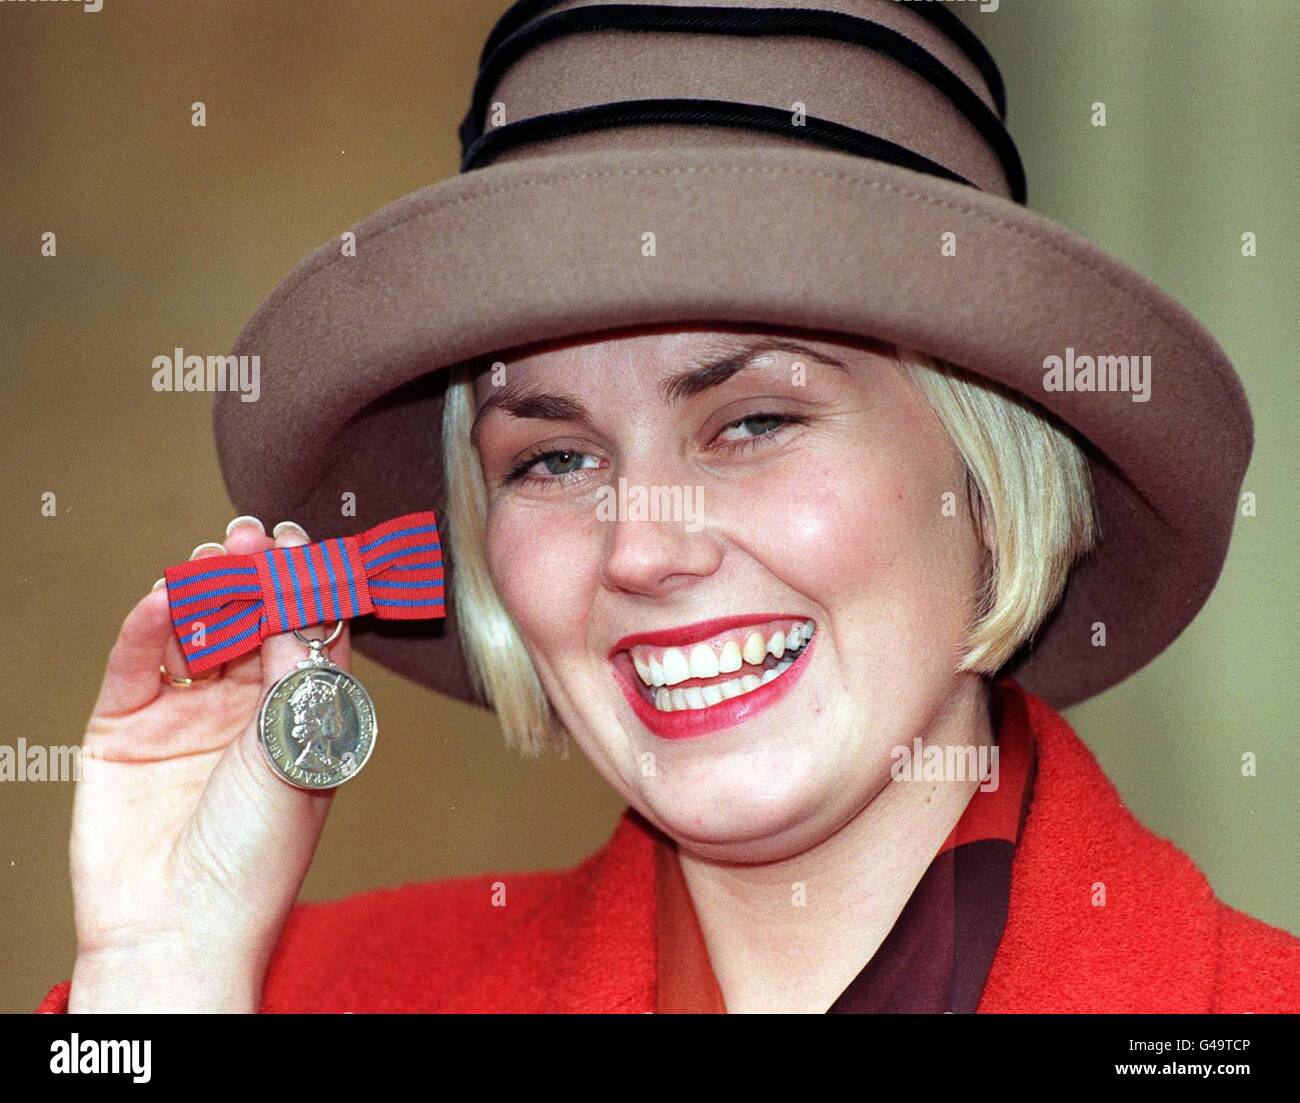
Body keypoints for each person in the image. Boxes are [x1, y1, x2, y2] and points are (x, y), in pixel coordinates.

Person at [38, 0, 1298, 1013]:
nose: (641, 546)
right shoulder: (280, 999)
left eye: (752, 421)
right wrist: (162, 971)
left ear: (983, 475)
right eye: (551, 459)